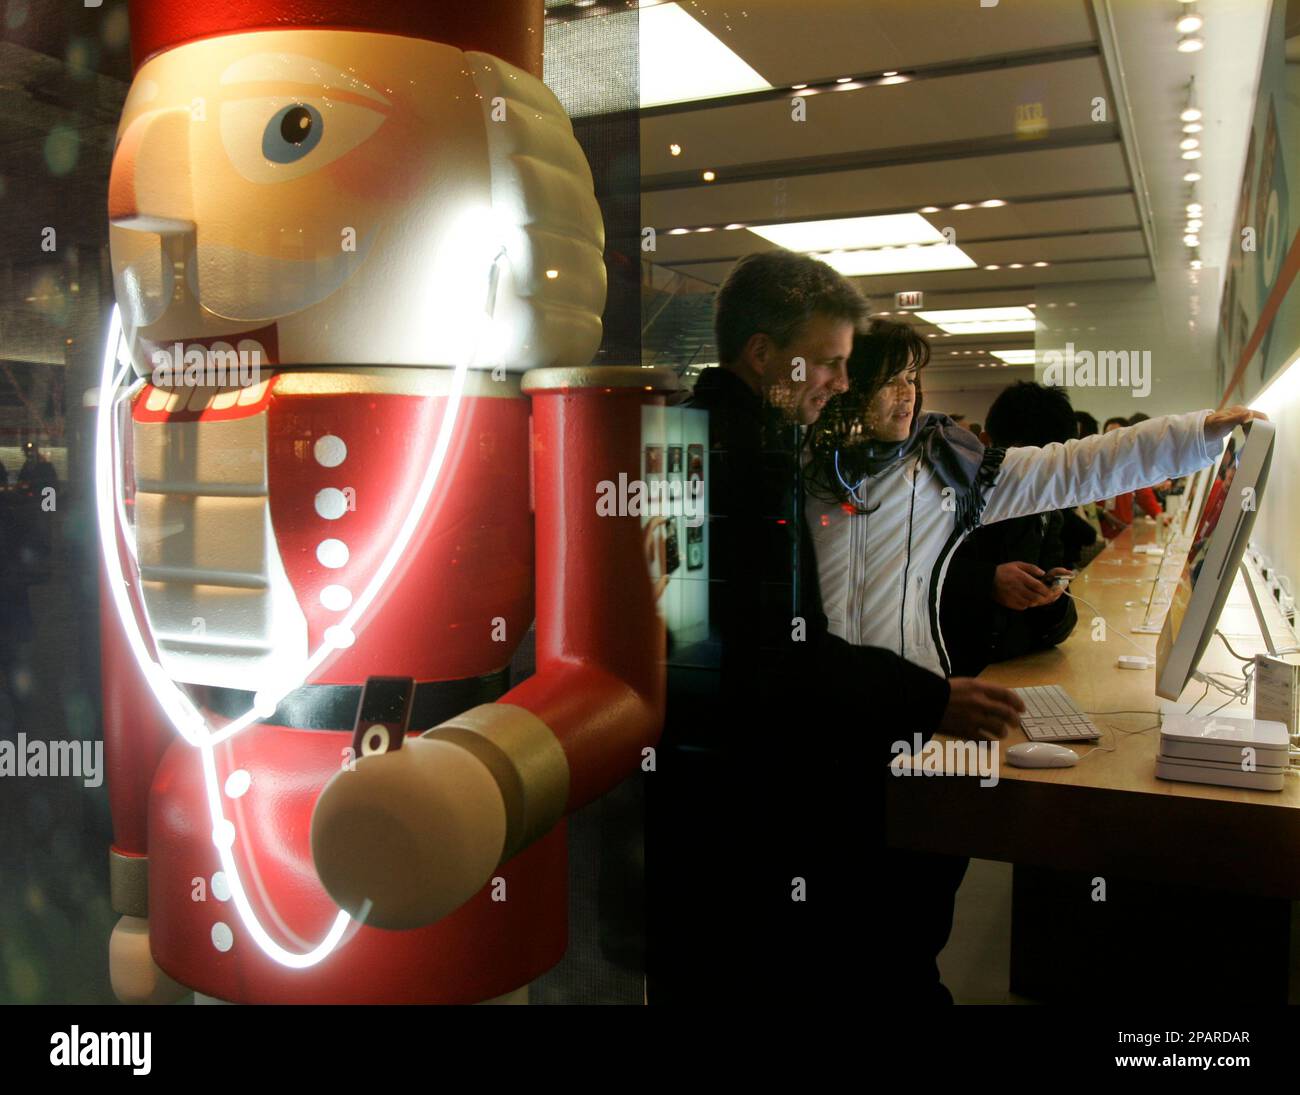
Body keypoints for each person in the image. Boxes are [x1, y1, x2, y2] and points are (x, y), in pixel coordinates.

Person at [802, 320, 1262, 1003]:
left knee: (912, 928)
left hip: (921, 725)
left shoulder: (945, 464)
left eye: (911, 377)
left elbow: (1068, 466)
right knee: (868, 938)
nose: (906, 394)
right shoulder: (811, 478)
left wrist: (1194, 434)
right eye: (886, 380)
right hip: (847, 736)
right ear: (848, 387)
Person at [645, 251, 1024, 1004]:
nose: (842, 384)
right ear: (763, 354)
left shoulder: (694, 433)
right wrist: (929, 699)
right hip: (742, 812)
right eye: (827, 363)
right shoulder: (748, 457)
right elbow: (775, 656)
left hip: (699, 799)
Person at [941, 382, 1079, 677]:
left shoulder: (1044, 508)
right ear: (984, 443)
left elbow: (1060, 627)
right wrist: (986, 581)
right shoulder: (943, 496)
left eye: (1043, 471)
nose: (1029, 483)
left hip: (1016, 671)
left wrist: (1051, 599)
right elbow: (904, 576)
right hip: (950, 680)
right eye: (1019, 464)